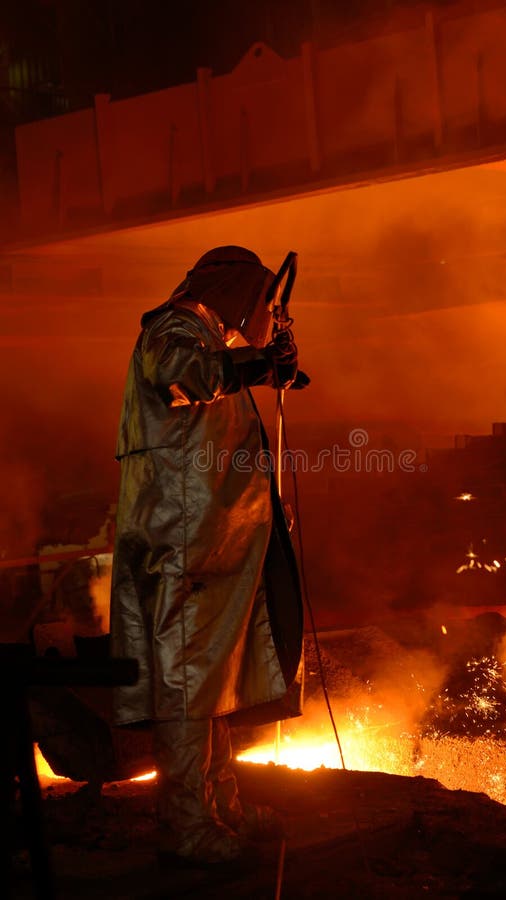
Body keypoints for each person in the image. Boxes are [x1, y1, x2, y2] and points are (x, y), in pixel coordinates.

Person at [110, 245, 307, 868]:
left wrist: (260, 366)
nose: (262, 311)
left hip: (208, 540)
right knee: (190, 683)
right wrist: (254, 365)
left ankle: (220, 809)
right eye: (259, 299)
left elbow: (215, 384)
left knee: (209, 683)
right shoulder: (172, 327)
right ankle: (188, 827)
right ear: (234, 288)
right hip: (183, 540)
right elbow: (184, 376)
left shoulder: (205, 336)